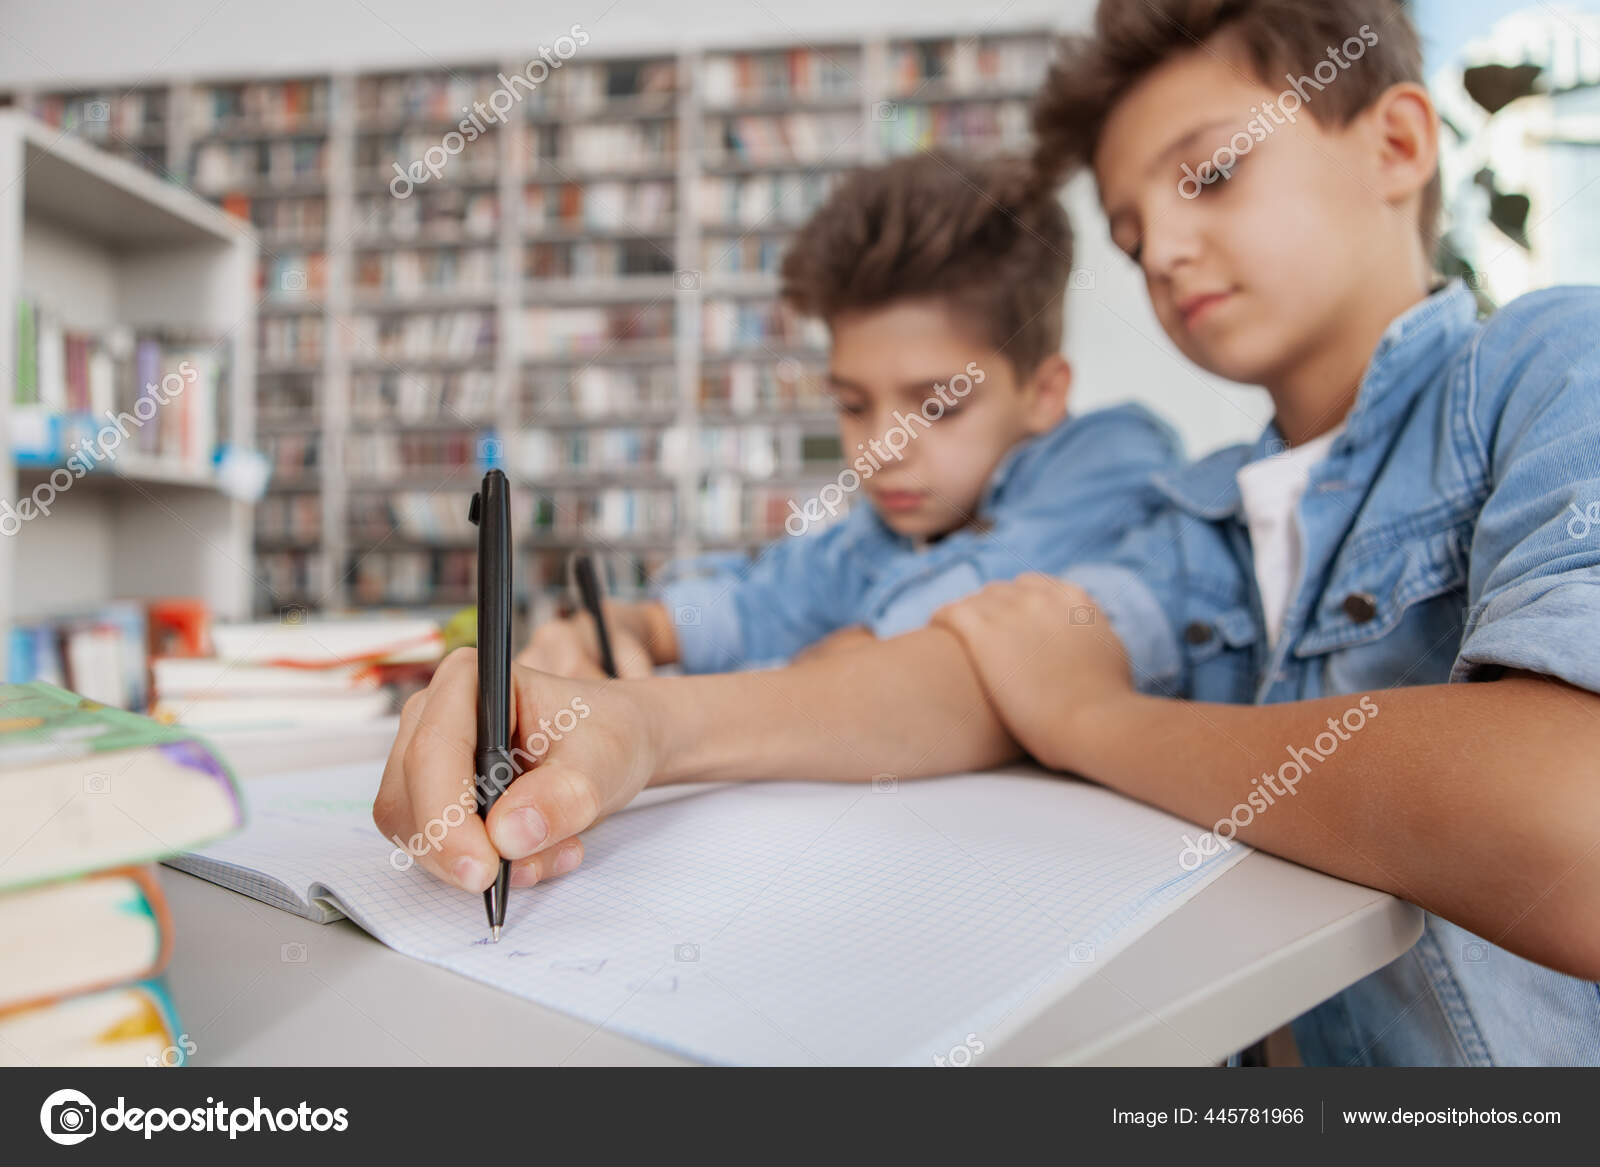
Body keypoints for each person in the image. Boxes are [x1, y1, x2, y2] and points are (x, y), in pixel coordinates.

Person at [376, 0, 1600, 1065]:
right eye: (1129, 233)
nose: (1162, 251)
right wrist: (642, 727)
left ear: (1397, 144)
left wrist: (1100, 724)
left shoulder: (1556, 362)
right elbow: (978, 668)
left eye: (1212, 174)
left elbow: (1573, 825)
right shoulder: (1205, 513)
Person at [516, 150, 1179, 678]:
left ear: (1044, 393)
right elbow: (756, 603)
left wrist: (849, 652)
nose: (883, 448)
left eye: (939, 406)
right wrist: (635, 627)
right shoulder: (876, 535)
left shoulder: (1116, 457)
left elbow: (973, 602)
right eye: (852, 405)